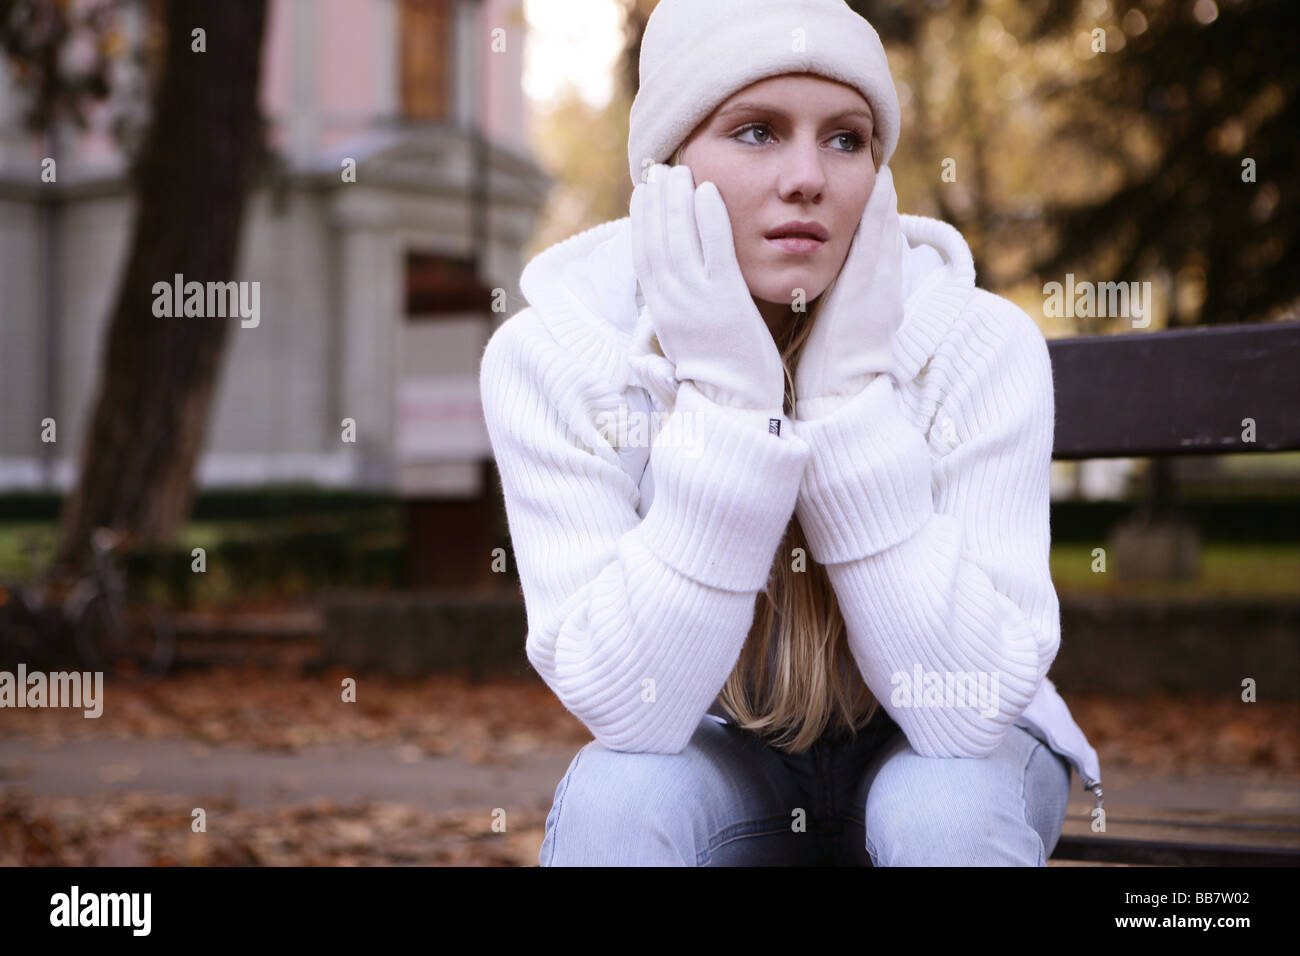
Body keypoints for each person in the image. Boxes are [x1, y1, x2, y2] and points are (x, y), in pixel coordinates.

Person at [478, 0, 1103, 866]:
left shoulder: (978, 344)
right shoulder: (559, 354)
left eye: (845, 139)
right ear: (664, 169)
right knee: (620, 803)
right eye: (758, 131)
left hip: (947, 752)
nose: (809, 176)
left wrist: (846, 406)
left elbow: (965, 715)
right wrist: (731, 403)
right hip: (725, 754)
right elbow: (632, 710)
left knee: (944, 813)